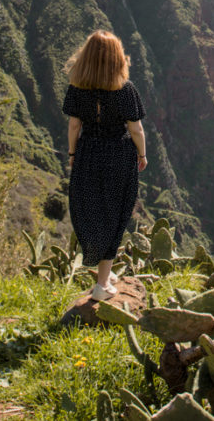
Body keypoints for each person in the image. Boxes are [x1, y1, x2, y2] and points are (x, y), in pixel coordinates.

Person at [62, 30, 147, 301]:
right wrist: (142, 156)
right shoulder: (125, 89)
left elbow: (74, 125)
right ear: (116, 58)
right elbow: (136, 129)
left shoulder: (77, 88)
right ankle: (102, 286)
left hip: (88, 152)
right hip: (119, 156)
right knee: (115, 215)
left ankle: (104, 273)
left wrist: (73, 153)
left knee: (94, 212)